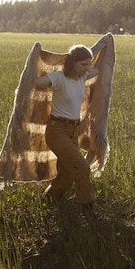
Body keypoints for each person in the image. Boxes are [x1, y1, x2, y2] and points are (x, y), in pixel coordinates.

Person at [33, 44, 99, 221]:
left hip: (72, 131)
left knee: (68, 172)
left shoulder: (82, 76)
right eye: (83, 64)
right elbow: (38, 82)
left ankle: (51, 197)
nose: (87, 68)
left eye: (88, 64)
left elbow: (98, 68)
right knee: (82, 167)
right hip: (57, 131)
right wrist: (31, 66)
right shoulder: (60, 78)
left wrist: (105, 43)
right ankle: (88, 209)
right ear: (72, 63)